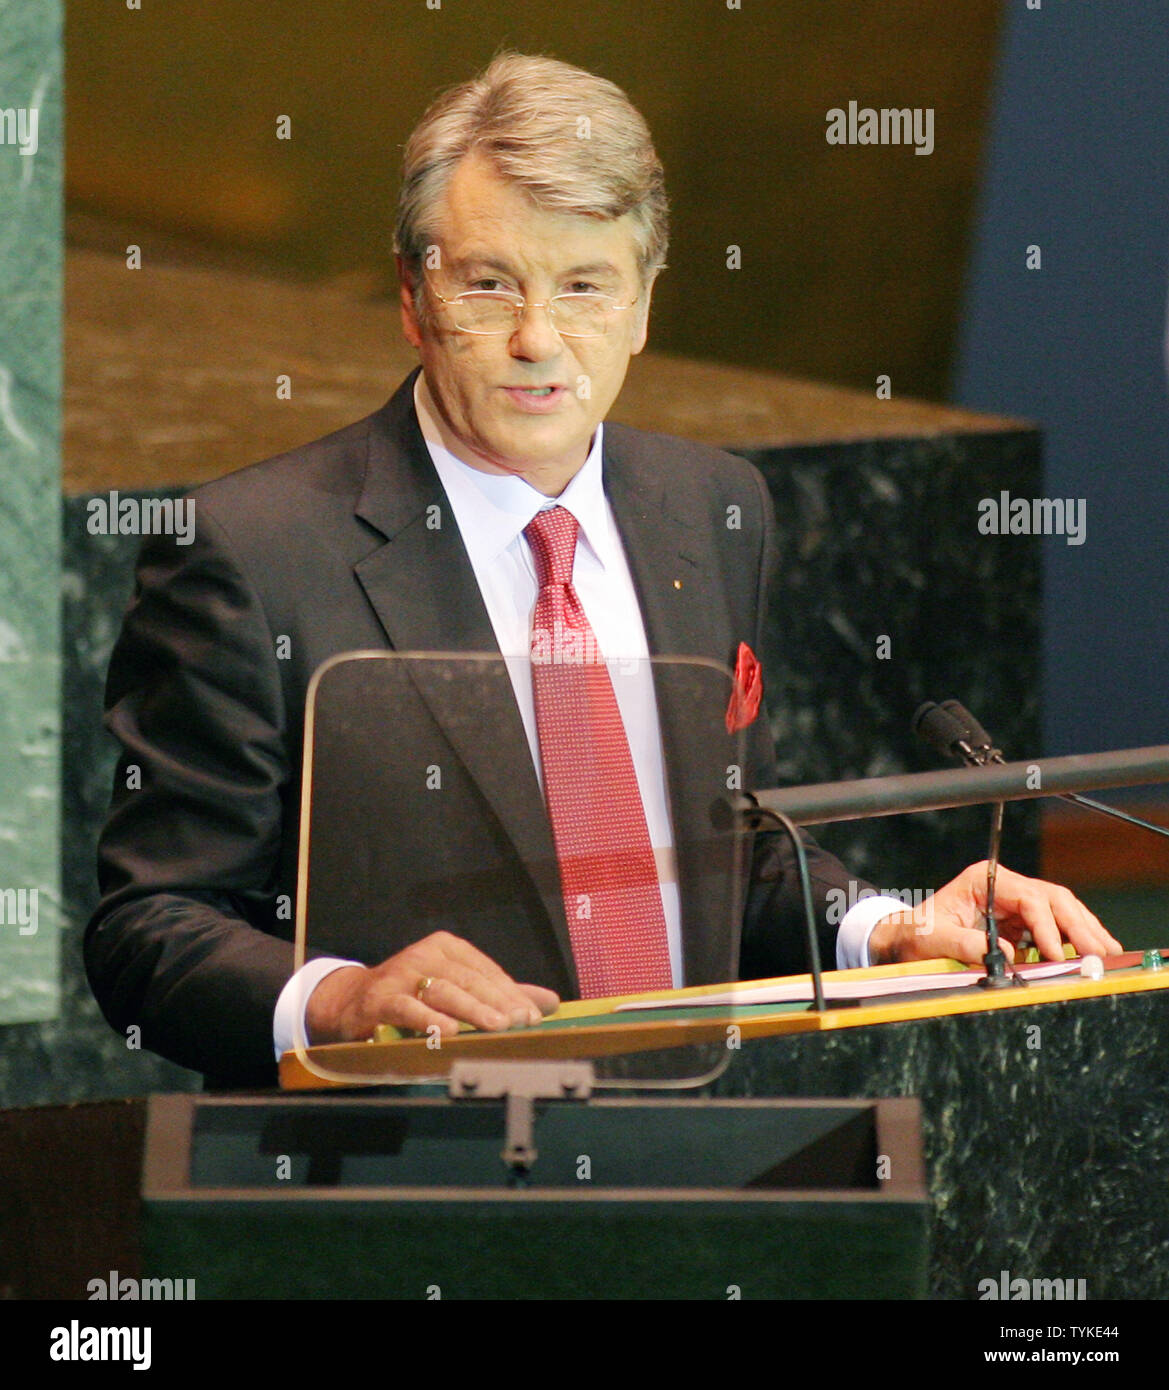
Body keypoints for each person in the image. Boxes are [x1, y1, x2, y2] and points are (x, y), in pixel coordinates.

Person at [84, 53, 1119, 1088]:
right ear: (411, 296)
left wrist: (890, 925)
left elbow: (723, 862)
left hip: (688, 1150)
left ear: (641, 307)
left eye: (584, 286)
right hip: (406, 1177)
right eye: (489, 284)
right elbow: (148, 929)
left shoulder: (711, 509)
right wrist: (336, 998)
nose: (538, 339)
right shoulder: (252, 549)